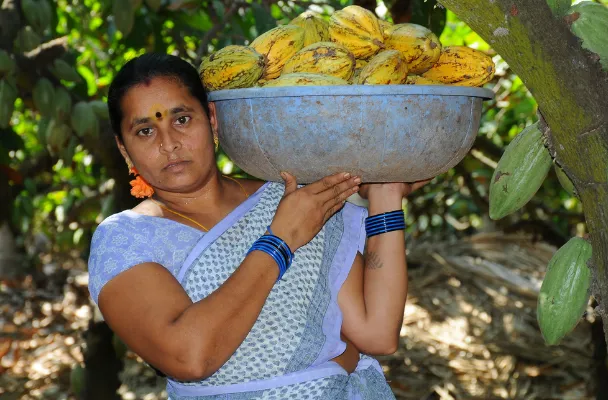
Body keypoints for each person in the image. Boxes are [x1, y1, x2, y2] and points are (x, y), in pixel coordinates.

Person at [87, 53, 427, 399]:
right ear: (124, 149)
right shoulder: (125, 239)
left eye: (182, 119)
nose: (169, 143)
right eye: (145, 131)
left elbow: (377, 334)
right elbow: (189, 357)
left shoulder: (291, 199)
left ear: (212, 119)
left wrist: (387, 194)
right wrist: (280, 240)